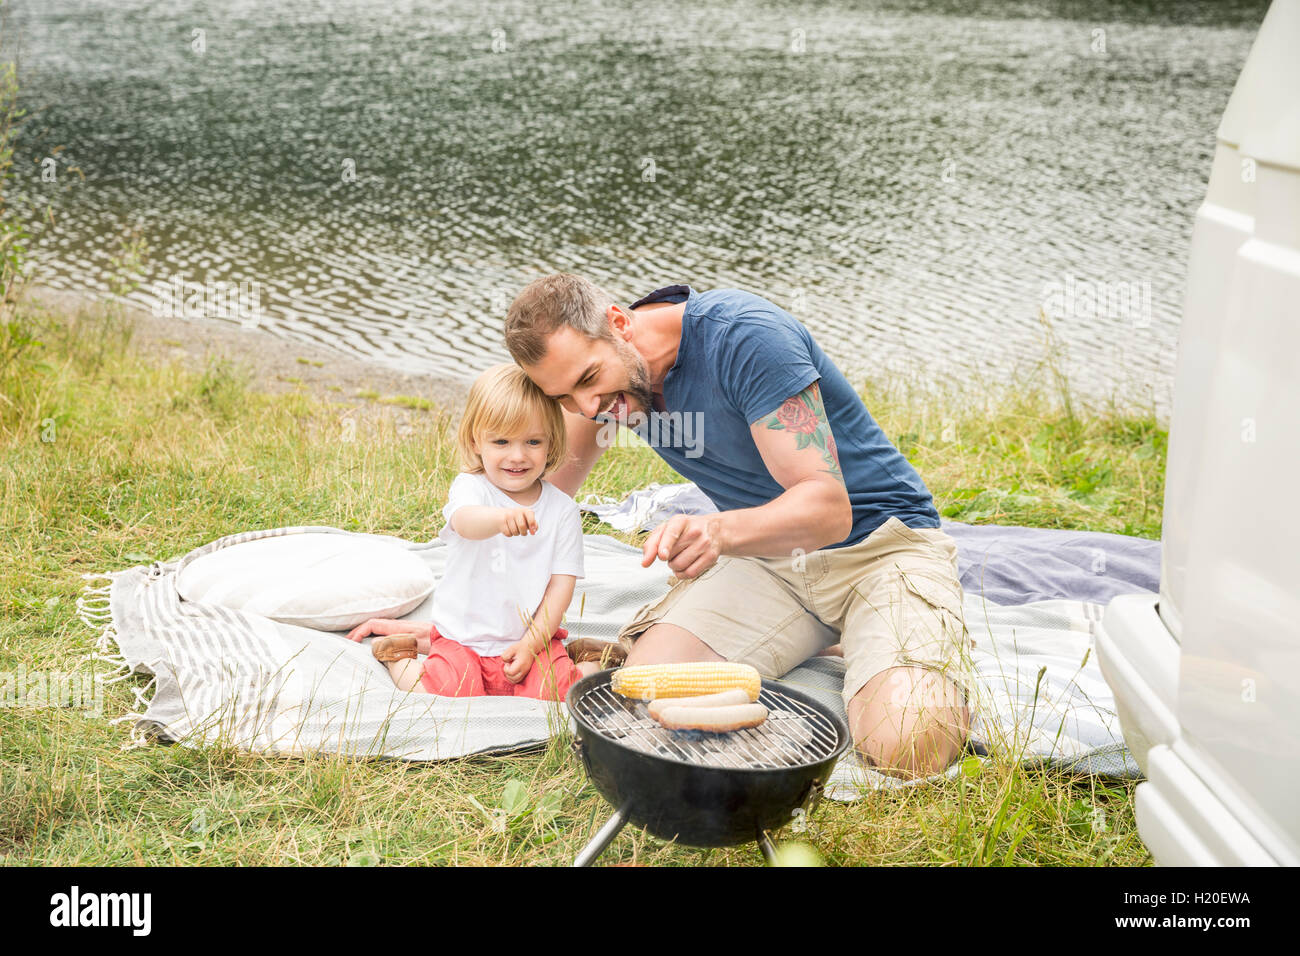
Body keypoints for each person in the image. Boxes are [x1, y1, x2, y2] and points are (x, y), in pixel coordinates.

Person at [504, 274, 977, 777]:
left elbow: (829, 511)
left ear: (619, 323)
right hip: (769, 562)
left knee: (909, 743)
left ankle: (879, 633)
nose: (588, 408)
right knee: (639, 696)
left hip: (880, 547)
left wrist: (718, 532)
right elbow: (549, 504)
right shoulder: (609, 383)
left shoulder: (747, 338)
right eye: (564, 398)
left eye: (586, 380)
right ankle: (836, 635)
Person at [345, 363, 603, 700]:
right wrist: (498, 519)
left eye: (533, 441)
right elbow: (465, 522)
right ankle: (399, 656)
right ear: (475, 441)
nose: (517, 455)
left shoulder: (562, 510)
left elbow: (560, 588)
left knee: (555, 694)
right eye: (501, 441)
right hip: (462, 637)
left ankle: (589, 658)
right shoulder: (471, 489)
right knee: (451, 691)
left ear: (552, 442)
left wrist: (529, 645)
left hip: (531, 637)